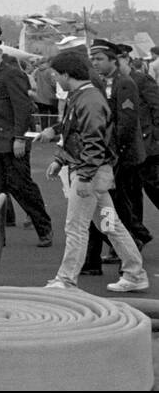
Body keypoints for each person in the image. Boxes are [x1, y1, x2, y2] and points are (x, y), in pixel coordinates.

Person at [38, 50, 149, 292]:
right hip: (95, 173)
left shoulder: (87, 99)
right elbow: (76, 132)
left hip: (89, 173)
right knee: (111, 224)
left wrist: (84, 177)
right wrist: (61, 159)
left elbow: (93, 141)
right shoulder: (84, 97)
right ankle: (134, 272)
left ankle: (66, 280)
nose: (55, 79)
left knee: (76, 226)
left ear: (67, 75)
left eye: (56, 75)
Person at [0, 26, 53, 248]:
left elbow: (23, 108)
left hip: (10, 142)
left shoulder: (12, 74)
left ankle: (44, 227)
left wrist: (19, 138)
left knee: (21, 187)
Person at [80, 41, 150, 273]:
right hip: (107, 155)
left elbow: (127, 124)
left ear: (113, 60)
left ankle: (133, 244)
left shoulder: (125, 83)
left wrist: (115, 154)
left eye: (100, 59)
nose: (96, 63)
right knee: (101, 208)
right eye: (94, 59)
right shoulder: (100, 83)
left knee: (119, 208)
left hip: (124, 158)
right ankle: (92, 261)